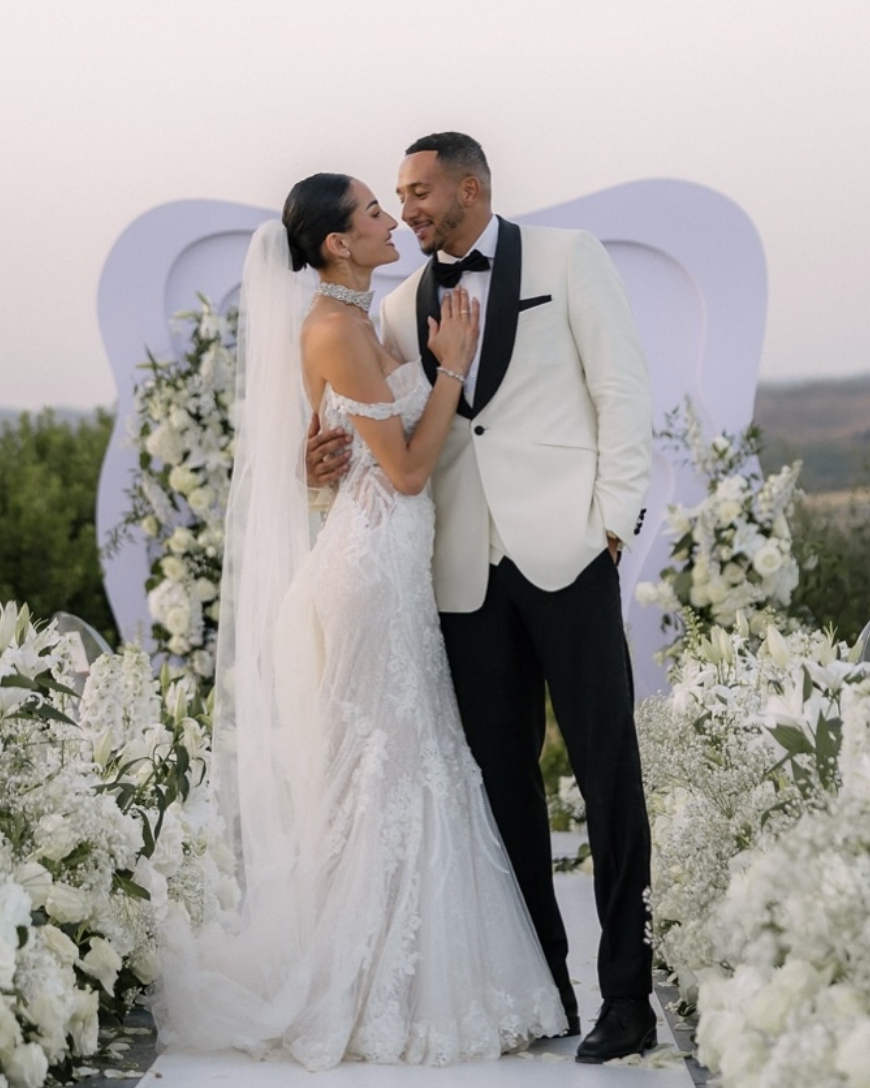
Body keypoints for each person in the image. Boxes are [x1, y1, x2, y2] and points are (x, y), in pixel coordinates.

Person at [150, 174, 566, 1071]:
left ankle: (400, 975)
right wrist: (453, 365)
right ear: (338, 243)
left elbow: (329, 449)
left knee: (407, 765)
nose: (389, 221)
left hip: (387, 565)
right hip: (371, 572)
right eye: (374, 211)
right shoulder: (337, 329)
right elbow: (410, 472)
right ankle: (377, 987)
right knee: (393, 768)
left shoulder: (358, 321)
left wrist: (314, 460)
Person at [372, 132, 655, 1064]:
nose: (406, 206)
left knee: (607, 771)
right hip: (462, 571)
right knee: (503, 787)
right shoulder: (400, 302)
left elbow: (620, 391)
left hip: (567, 550)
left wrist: (612, 522)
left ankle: (628, 999)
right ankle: (546, 989)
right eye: (398, 195)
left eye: (418, 191)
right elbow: (398, 427)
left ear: (471, 185)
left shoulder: (572, 258)